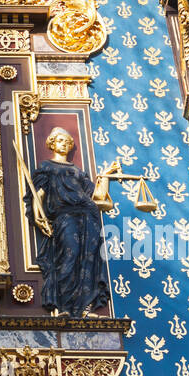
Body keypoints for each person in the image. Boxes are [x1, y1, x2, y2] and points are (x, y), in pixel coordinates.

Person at [24, 128, 110, 318]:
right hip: (65, 216)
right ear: (53, 143)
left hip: (89, 216)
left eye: (67, 141)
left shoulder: (78, 171)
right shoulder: (47, 167)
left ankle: (85, 309)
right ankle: (65, 307)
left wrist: (105, 178)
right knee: (69, 256)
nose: (64, 144)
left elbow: (97, 196)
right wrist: (39, 217)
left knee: (88, 260)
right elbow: (39, 195)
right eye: (60, 140)